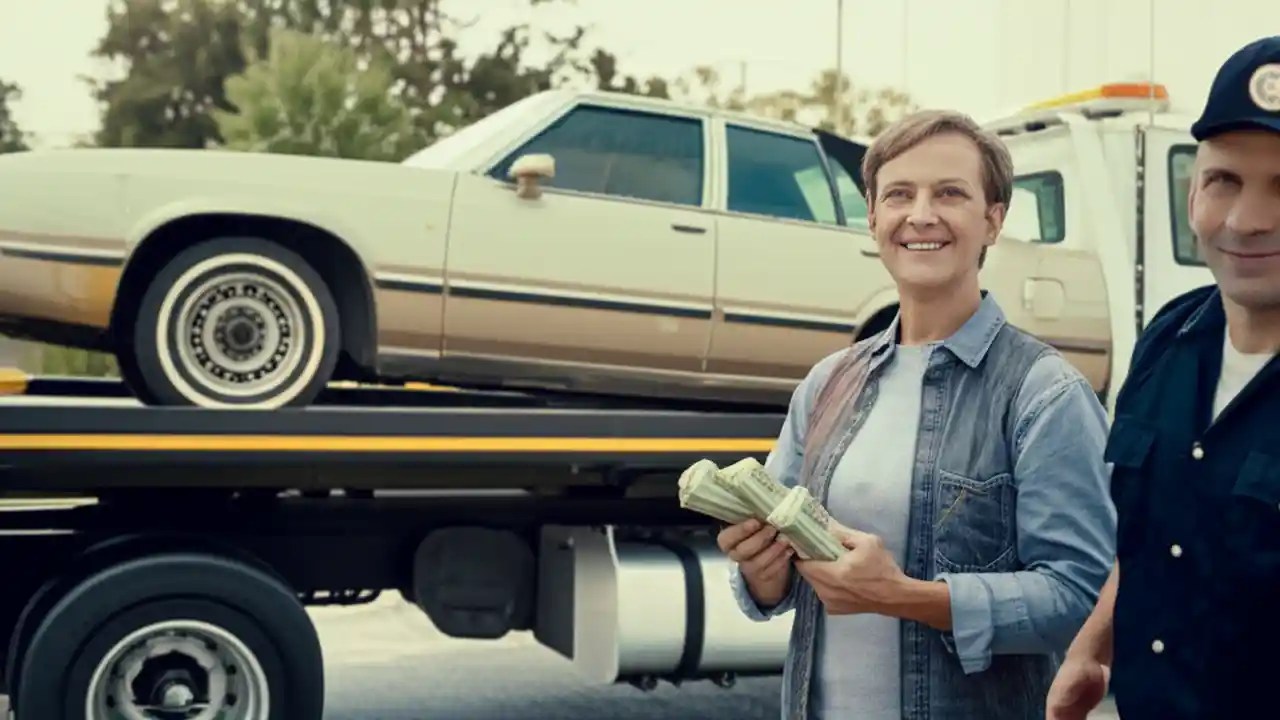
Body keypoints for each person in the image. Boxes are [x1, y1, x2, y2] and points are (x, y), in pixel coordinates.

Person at [716, 108, 1117, 719]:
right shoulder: (827, 384)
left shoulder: (1044, 392)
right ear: (873, 216)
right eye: (899, 194)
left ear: (993, 220)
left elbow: (1078, 595)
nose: (921, 214)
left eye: (949, 194)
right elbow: (781, 588)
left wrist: (907, 596)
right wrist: (762, 570)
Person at [1046, 35, 1280, 720]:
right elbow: (1153, 539)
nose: (1246, 220)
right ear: (1192, 191)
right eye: (1224, 181)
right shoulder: (1167, 342)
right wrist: (1090, 650)